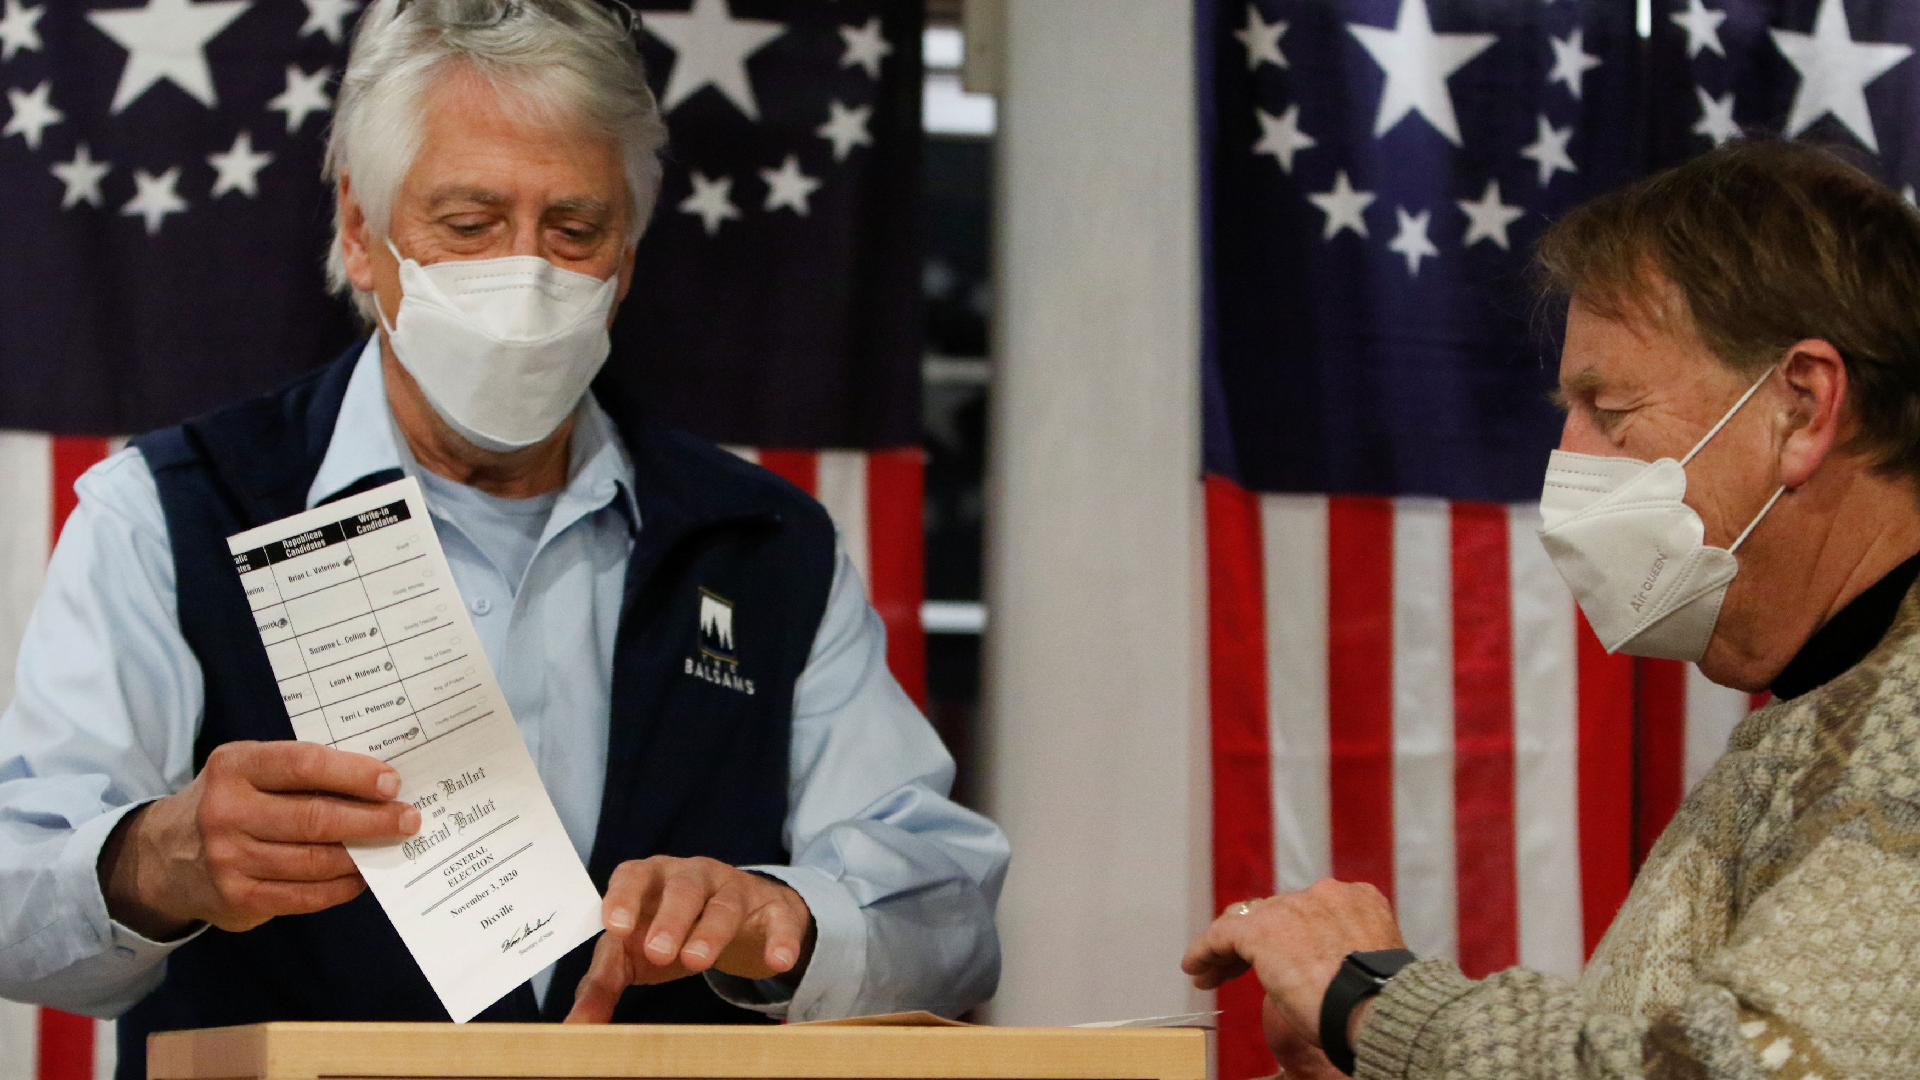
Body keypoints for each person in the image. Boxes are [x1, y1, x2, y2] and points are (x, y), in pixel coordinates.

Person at [0, 1, 1007, 1073]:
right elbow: (17, 895)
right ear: (361, 233)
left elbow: (948, 915)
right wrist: (158, 860)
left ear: (627, 259)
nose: (525, 275)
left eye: (574, 230)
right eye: (470, 224)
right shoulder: (172, 511)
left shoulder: (764, 545)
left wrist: (784, 920)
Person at [1183, 139, 1920, 1079]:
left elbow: (1742, 1069)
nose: (1569, 461)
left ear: (1804, 408)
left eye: (1609, 410)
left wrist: (1374, 1005)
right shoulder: (1831, 706)